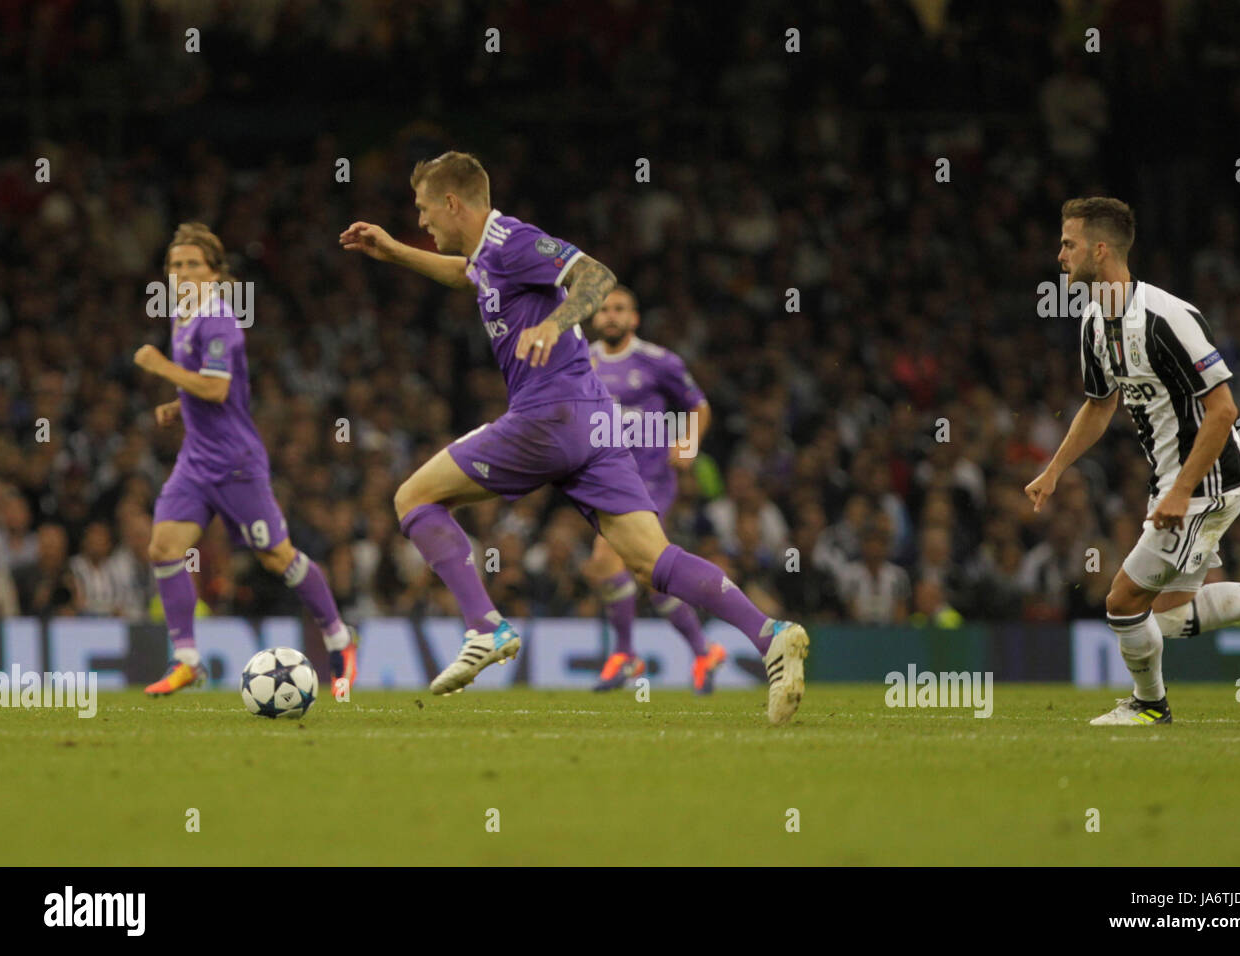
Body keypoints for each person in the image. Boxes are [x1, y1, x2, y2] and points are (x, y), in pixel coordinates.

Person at [340, 151, 808, 724]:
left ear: (452, 202)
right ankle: (770, 635)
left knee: (412, 497)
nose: (421, 222)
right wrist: (392, 251)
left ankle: (485, 626)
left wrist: (553, 323)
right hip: (594, 422)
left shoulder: (513, 240)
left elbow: (595, 277)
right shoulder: (487, 257)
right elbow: (463, 275)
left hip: (548, 416)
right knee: (651, 561)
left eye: (422, 209)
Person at [1027, 197, 1240, 725]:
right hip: (1175, 481)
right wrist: (1054, 470)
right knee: (1165, 620)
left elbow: (1224, 411)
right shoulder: (1093, 320)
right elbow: (1099, 406)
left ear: (1100, 250)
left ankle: (1149, 706)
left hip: (1207, 480)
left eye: (1068, 243)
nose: (1059, 254)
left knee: (1122, 601)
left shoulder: (1166, 317)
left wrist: (1180, 491)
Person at [135, 223, 357, 698]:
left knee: (277, 556)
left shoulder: (219, 320)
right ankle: (187, 660)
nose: (183, 272)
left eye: (193, 264)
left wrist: (161, 368)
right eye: (175, 265)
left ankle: (339, 638)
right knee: (163, 548)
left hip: (235, 463)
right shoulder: (183, 315)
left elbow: (214, 387)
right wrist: (179, 404)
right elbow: (218, 388)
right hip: (196, 460)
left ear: (214, 274)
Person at [584, 285, 726, 694]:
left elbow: (699, 406)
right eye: (605, 309)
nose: (611, 315)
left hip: (649, 479)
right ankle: (703, 650)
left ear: (634, 318)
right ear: (595, 317)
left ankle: (626, 654)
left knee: (606, 556)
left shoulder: (658, 361)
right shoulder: (582, 361)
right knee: (649, 574)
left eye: (620, 309)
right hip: (604, 477)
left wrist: (690, 441)